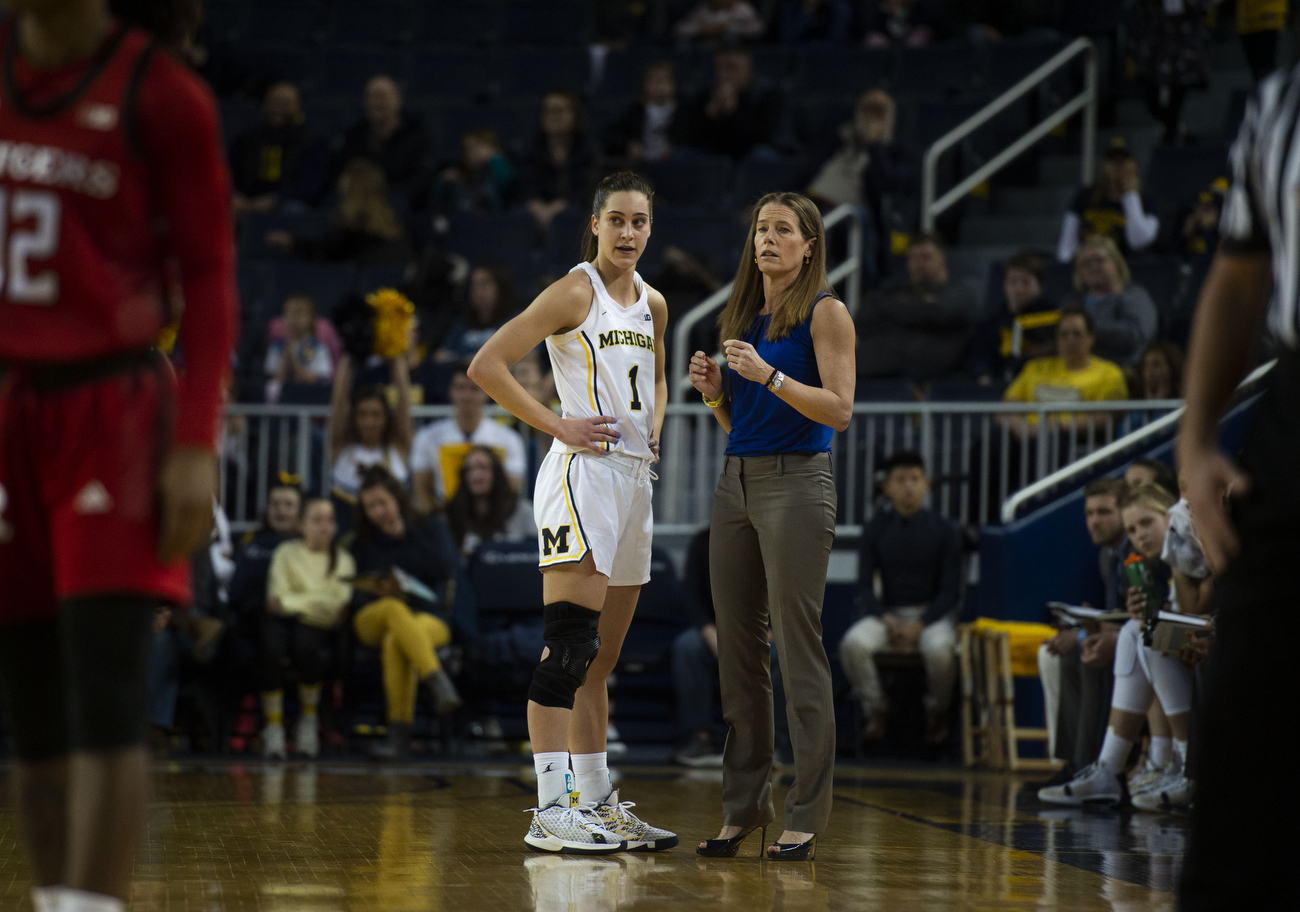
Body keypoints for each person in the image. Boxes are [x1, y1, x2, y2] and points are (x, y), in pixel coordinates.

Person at [0, 3, 235, 912]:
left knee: (102, 692)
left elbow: (211, 280)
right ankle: (59, 897)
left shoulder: (162, 93)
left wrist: (195, 443)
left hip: (113, 406)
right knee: (34, 712)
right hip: (11, 405)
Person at [469, 171, 675, 853]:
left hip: (634, 480)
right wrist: (558, 426)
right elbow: (488, 364)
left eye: (639, 221)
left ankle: (597, 799)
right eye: (615, 219)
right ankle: (550, 808)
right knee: (568, 648)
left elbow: (660, 378)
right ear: (594, 224)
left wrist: (661, 424)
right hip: (581, 476)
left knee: (602, 657)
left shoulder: (655, 304)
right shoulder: (575, 290)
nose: (627, 233)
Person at [688, 191, 855, 861]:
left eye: (783, 230)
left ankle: (806, 812)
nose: (769, 239)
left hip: (799, 482)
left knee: (797, 645)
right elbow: (744, 423)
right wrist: (713, 396)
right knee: (738, 654)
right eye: (762, 228)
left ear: (809, 244)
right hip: (738, 479)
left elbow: (839, 410)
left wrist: (772, 375)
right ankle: (742, 809)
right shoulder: (742, 312)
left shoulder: (827, 311)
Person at [1175, 68, 1300, 909]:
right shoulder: (1279, 101)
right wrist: (1195, 435)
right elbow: (1240, 270)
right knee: (1244, 746)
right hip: (1294, 422)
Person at [1039, 484, 1196, 810]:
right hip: (1195, 629)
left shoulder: (1188, 543)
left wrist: (1165, 612)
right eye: (1132, 529)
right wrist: (1151, 610)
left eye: (1146, 523)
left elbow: (1204, 604)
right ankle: (1110, 769)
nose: (1139, 535)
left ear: (1169, 516)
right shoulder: (1152, 563)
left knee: (1146, 634)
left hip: (1215, 634)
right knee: (1135, 631)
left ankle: (1185, 762)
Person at [839, 452, 963, 745]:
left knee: (941, 651)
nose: (908, 486)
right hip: (888, 616)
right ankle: (877, 710)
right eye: (900, 480)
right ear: (887, 487)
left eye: (914, 479)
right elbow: (865, 587)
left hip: (930, 618)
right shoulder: (876, 529)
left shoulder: (946, 530)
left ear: (926, 484)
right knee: (854, 644)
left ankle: (936, 714)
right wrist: (887, 621)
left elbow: (951, 591)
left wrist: (921, 624)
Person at [350, 468, 460, 759]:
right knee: (393, 609)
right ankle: (436, 678)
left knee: (396, 641)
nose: (377, 512)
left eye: (382, 503)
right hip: (373, 615)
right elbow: (353, 586)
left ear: (398, 499)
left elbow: (447, 567)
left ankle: (398, 739)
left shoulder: (427, 526)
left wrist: (407, 533)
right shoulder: (362, 540)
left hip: (427, 616)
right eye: (370, 506)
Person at [1036, 478, 1127, 779]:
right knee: (1067, 650)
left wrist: (1085, 632)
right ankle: (1072, 762)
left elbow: (1143, 620)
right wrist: (1086, 625)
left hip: (1148, 637)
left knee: (1088, 651)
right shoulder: (1107, 554)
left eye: (1104, 512)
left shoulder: (1135, 552)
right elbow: (1121, 615)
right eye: (1089, 514)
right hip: (1129, 634)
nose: (1094, 521)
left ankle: (1093, 765)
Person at [260, 498, 354, 760]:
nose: (325, 526)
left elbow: (337, 609)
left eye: (330, 520)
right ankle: (273, 725)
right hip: (282, 622)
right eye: (317, 519)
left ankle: (309, 720)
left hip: (318, 628)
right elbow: (274, 599)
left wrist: (294, 602)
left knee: (306, 643)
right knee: (271, 645)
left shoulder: (344, 560)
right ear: (301, 524)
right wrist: (315, 601)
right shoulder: (285, 552)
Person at [807, 88, 915, 282]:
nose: (872, 117)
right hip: (815, 202)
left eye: (879, 111)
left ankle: (860, 284)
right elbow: (807, 172)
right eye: (867, 110)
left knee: (847, 218)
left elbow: (887, 185)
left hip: (858, 213)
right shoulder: (840, 138)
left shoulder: (896, 150)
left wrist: (875, 145)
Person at [854, 233, 980, 382]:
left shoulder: (960, 293)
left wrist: (896, 310)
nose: (918, 264)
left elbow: (939, 312)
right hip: (880, 373)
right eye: (913, 258)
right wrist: (919, 309)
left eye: (926, 257)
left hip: (934, 376)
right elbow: (862, 319)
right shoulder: (893, 291)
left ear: (943, 259)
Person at [410, 363, 527, 513]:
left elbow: (511, 489)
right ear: (451, 391)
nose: (466, 395)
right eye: (460, 388)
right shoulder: (426, 437)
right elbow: (422, 491)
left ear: (486, 393)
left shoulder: (509, 439)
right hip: (444, 516)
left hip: (495, 517)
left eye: (474, 388)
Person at [266, 158, 412, 266]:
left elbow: (330, 249)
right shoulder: (392, 219)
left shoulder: (353, 223)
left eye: (344, 193)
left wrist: (294, 243)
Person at [1002, 306, 1129, 420]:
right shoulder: (1035, 368)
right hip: (1027, 439)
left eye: (1077, 334)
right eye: (1064, 335)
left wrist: (1059, 428)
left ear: (1091, 337)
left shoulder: (1109, 373)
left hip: (1075, 440)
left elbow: (1104, 418)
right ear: (1057, 340)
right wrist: (1020, 429)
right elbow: (1008, 404)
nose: (1070, 341)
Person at [329, 74, 434, 207]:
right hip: (359, 202)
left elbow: (419, 182)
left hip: (400, 205)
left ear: (398, 100)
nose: (375, 102)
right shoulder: (353, 137)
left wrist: (382, 193)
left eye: (381, 96)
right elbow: (340, 175)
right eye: (369, 96)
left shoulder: (416, 136)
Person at [227, 81, 327, 215]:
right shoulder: (246, 140)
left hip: (284, 205)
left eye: (285, 103)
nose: (278, 109)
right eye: (273, 102)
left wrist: (276, 199)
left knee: (294, 209)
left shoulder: (311, 143)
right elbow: (228, 173)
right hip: (246, 202)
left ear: (299, 107)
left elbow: (309, 187)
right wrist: (235, 195)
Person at [327, 356, 413, 508]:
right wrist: (349, 356)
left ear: (387, 418)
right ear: (354, 418)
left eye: (376, 415)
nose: (369, 422)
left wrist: (396, 356)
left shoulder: (399, 447)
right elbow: (338, 401)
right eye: (363, 414)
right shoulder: (342, 446)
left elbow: (404, 403)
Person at [1057, 139, 1160, 263]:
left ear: (1134, 164)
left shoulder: (1147, 200)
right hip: (1086, 265)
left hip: (1125, 267)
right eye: (1112, 160)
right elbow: (1066, 246)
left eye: (1123, 160)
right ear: (1103, 165)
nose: (1118, 166)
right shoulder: (1086, 195)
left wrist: (1130, 195)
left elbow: (1138, 242)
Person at [671, 528, 724, 767]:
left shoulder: (771, 539)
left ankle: (768, 744)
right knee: (687, 647)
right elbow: (691, 595)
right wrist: (709, 632)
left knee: (776, 655)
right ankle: (699, 738)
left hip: (759, 631)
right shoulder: (704, 541)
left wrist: (766, 632)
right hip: (710, 628)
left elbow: (782, 594)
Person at [677, 45, 782, 161]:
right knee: (682, 154)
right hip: (714, 151)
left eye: (731, 67)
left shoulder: (767, 93)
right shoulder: (707, 92)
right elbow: (690, 137)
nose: (724, 74)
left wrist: (732, 112)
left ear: (749, 69)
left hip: (749, 150)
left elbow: (765, 136)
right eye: (719, 68)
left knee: (763, 155)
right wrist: (709, 113)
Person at [1064, 237, 1158, 365]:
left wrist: (1085, 329)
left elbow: (1134, 337)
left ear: (1116, 264)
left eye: (1100, 260)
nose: (1093, 267)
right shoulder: (1073, 302)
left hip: (1121, 369)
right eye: (1086, 263)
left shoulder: (1134, 296)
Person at [968, 252, 1060, 383]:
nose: (1018, 289)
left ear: (1039, 287)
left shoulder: (1054, 319)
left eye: (1025, 282)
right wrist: (983, 375)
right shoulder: (992, 323)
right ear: (1004, 285)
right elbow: (980, 356)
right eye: (1012, 281)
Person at [1134, 0, 1212, 144]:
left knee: (1179, 89)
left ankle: (1170, 136)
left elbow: (1205, 6)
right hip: (1158, 38)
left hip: (1185, 37)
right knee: (1150, 95)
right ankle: (1176, 127)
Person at [520, 91, 595, 232]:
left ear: (575, 116)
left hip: (574, 220)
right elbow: (525, 189)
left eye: (560, 110)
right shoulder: (530, 153)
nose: (554, 116)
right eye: (548, 111)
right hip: (536, 216)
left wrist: (554, 210)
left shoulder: (588, 154)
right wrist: (539, 209)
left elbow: (585, 191)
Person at [444, 446, 536, 558]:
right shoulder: (453, 513)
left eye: (483, 468)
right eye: (469, 469)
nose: (476, 475)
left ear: (497, 473)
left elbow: (537, 552)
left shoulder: (523, 510)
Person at [602, 61, 684, 163]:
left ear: (674, 84)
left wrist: (674, 149)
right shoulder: (634, 110)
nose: (659, 85)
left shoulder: (684, 111)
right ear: (644, 84)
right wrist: (629, 144)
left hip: (674, 165)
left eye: (664, 80)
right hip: (641, 164)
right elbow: (611, 134)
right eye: (653, 80)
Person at [435, 266, 517, 364]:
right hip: (464, 376)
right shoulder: (462, 323)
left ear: (500, 287)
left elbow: (527, 358)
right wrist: (467, 361)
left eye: (483, 284)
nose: (477, 291)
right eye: (474, 285)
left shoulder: (514, 322)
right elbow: (440, 356)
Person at [265, 295, 334, 403]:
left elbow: (313, 379)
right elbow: (277, 377)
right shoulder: (276, 347)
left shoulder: (319, 348)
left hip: (309, 398)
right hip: (283, 399)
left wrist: (294, 361)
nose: (294, 319)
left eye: (300, 313)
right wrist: (287, 350)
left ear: (312, 318)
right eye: (290, 313)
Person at [432, 128, 517, 215]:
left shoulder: (497, 171)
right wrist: (444, 181)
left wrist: (494, 157)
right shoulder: (455, 176)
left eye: (475, 148)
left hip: (493, 223)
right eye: (465, 149)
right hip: (463, 223)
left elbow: (508, 180)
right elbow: (435, 205)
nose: (469, 154)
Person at [673, 0, 765, 41]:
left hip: (737, 49)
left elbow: (758, 28)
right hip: (706, 52)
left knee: (730, 37)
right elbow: (680, 29)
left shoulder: (743, 9)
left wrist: (729, 27)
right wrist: (702, 29)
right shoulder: (703, 10)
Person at [776, 0, 852, 43]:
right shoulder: (791, 7)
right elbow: (787, 38)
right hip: (797, 60)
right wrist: (807, 11)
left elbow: (838, 41)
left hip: (829, 61)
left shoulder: (839, 9)